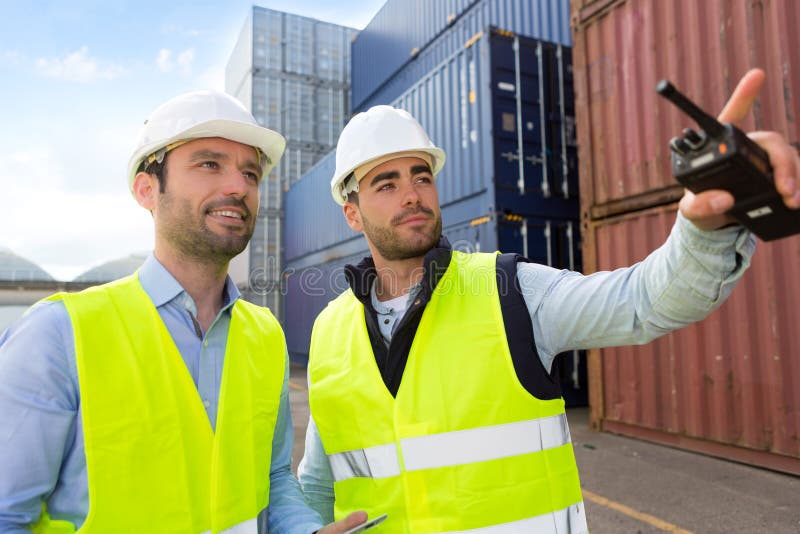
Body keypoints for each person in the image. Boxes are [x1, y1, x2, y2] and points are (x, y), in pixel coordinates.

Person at [297, 68, 800, 533]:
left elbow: (643, 300)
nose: (412, 194)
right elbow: (320, 481)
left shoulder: (510, 291)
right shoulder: (328, 333)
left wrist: (707, 229)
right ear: (353, 214)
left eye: (421, 176)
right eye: (387, 183)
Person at [0, 91, 366, 533]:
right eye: (209, 164)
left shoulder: (266, 337)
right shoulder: (57, 335)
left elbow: (272, 481)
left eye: (250, 173)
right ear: (146, 189)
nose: (238, 186)